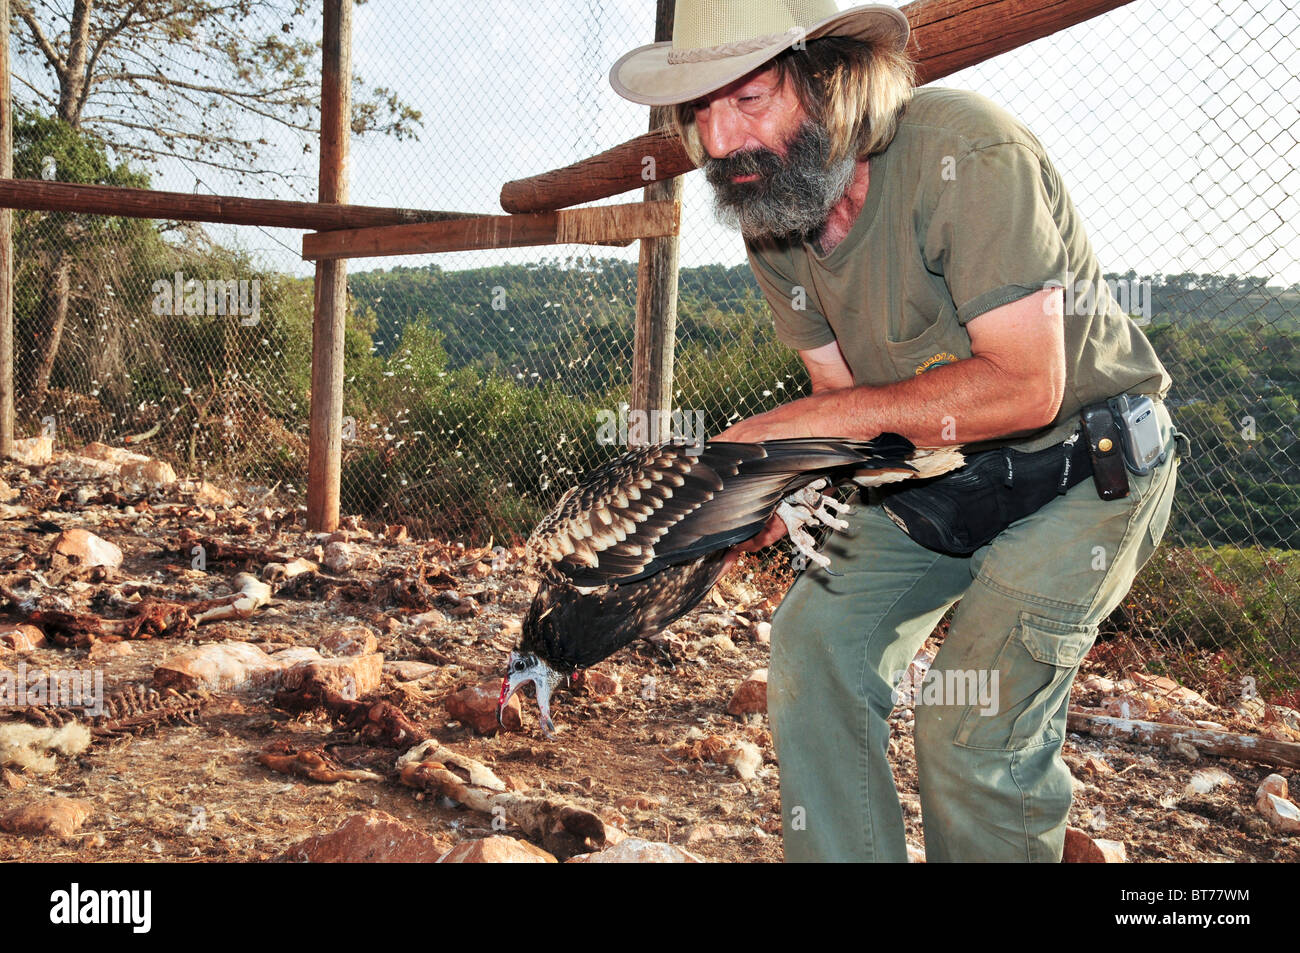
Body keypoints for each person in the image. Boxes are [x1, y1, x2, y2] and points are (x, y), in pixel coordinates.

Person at [610, 0, 1184, 862]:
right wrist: (769, 492)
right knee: (812, 650)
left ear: (831, 82)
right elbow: (841, 402)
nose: (721, 140)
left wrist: (783, 429)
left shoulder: (969, 152)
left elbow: (1028, 386)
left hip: (1080, 470)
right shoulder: (773, 213)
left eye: (749, 98)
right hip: (934, 477)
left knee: (968, 726)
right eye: (699, 111)